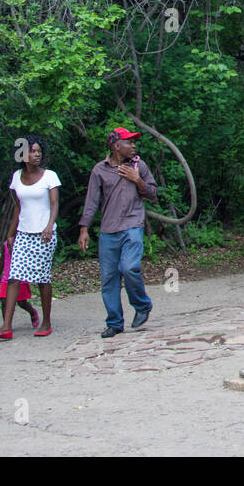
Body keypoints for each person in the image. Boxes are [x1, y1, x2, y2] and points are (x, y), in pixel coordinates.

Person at [77, 127, 157, 338]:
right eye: (129, 142)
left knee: (129, 267)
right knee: (109, 278)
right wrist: (84, 229)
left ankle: (142, 305)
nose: (133, 146)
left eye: (134, 142)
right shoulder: (99, 170)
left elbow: (153, 194)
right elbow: (92, 201)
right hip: (108, 230)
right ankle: (114, 322)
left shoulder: (140, 166)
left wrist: (137, 179)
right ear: (115, 145)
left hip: (132, 225)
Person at [0, 135, 59, 340]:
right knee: (13, 278)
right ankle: (6, 327)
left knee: (42, 279)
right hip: (23, 234)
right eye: (32, 151)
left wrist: (49, 226)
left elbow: (54, 204)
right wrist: (10, 234)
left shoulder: (50, 176)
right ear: (23, 154)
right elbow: (18, 208)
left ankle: (46, 322)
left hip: (44, 234)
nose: (37, 155)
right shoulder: (17, 176)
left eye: (39, 151)